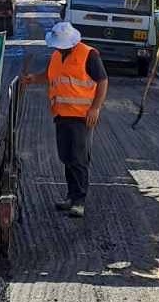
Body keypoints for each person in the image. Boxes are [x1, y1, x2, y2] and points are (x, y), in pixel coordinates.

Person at [20, 22, 109, 218]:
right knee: (67, 157)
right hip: (61, 114)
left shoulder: (88, 54)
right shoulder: (57, 55)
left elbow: (102, 81)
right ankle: (71, 196)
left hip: (81, 116)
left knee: (79, 159)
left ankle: (79, 201)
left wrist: (95, 108)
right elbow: (51, 75)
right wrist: (34, 78)